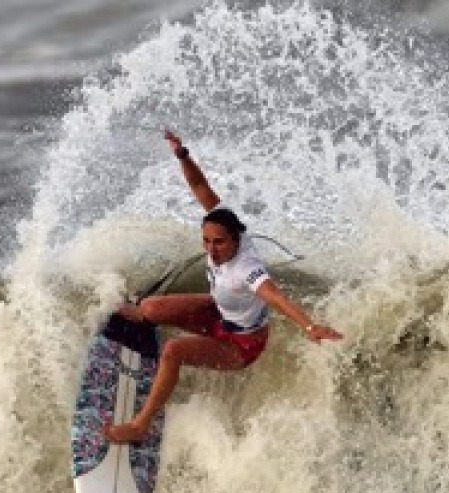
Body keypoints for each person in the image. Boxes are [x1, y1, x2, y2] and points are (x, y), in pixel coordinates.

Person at [104, 130, 344, 444]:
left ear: (236, 239)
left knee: (174, 350)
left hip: (240, 345)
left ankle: (140, 426)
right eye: (206, 240)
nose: (211, 249)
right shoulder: (223, 219)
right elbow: (199, 186)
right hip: (219, 311)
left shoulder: (246, 268)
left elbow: (274, 295)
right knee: (149, 308)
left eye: (219, 243)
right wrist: (182, 155)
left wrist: (310, 327)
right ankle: (141, 319)